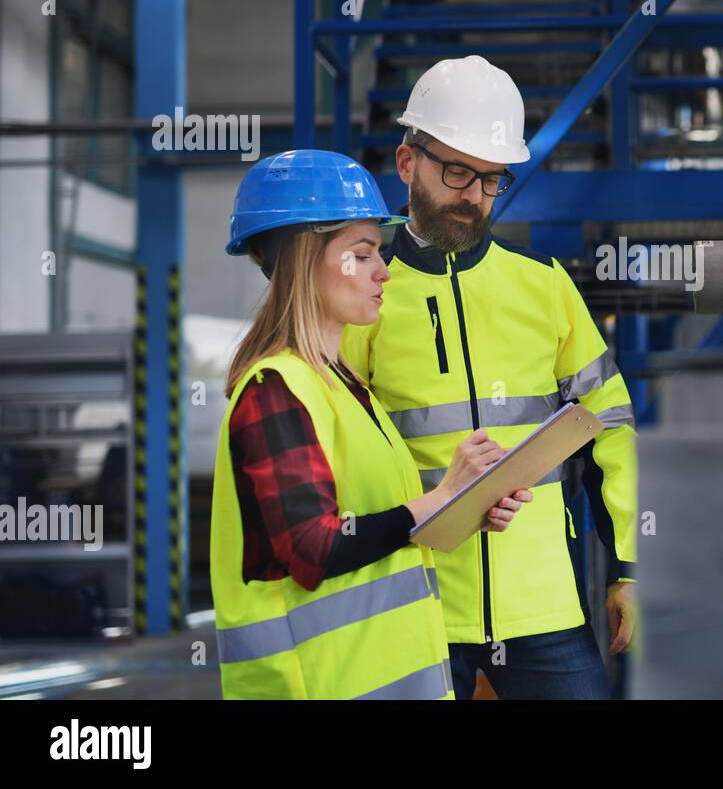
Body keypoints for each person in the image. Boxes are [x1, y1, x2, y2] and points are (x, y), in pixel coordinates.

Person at [340, 56, 638, 700]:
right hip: (416, 606)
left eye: (491, 179)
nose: (473, 195)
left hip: (543, 610)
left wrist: (629, 567)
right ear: (406, 163)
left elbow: (611, 428)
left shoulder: (547, 290)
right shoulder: (365, 302)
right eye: (455, 172)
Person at [212, 148, 530, 699]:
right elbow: (316, 549)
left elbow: (378, 527)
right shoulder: (276, 392)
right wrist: (437, 500)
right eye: (362, 254)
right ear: (306, 260)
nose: (383, 270)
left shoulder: (345, 386)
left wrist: (462, 506)